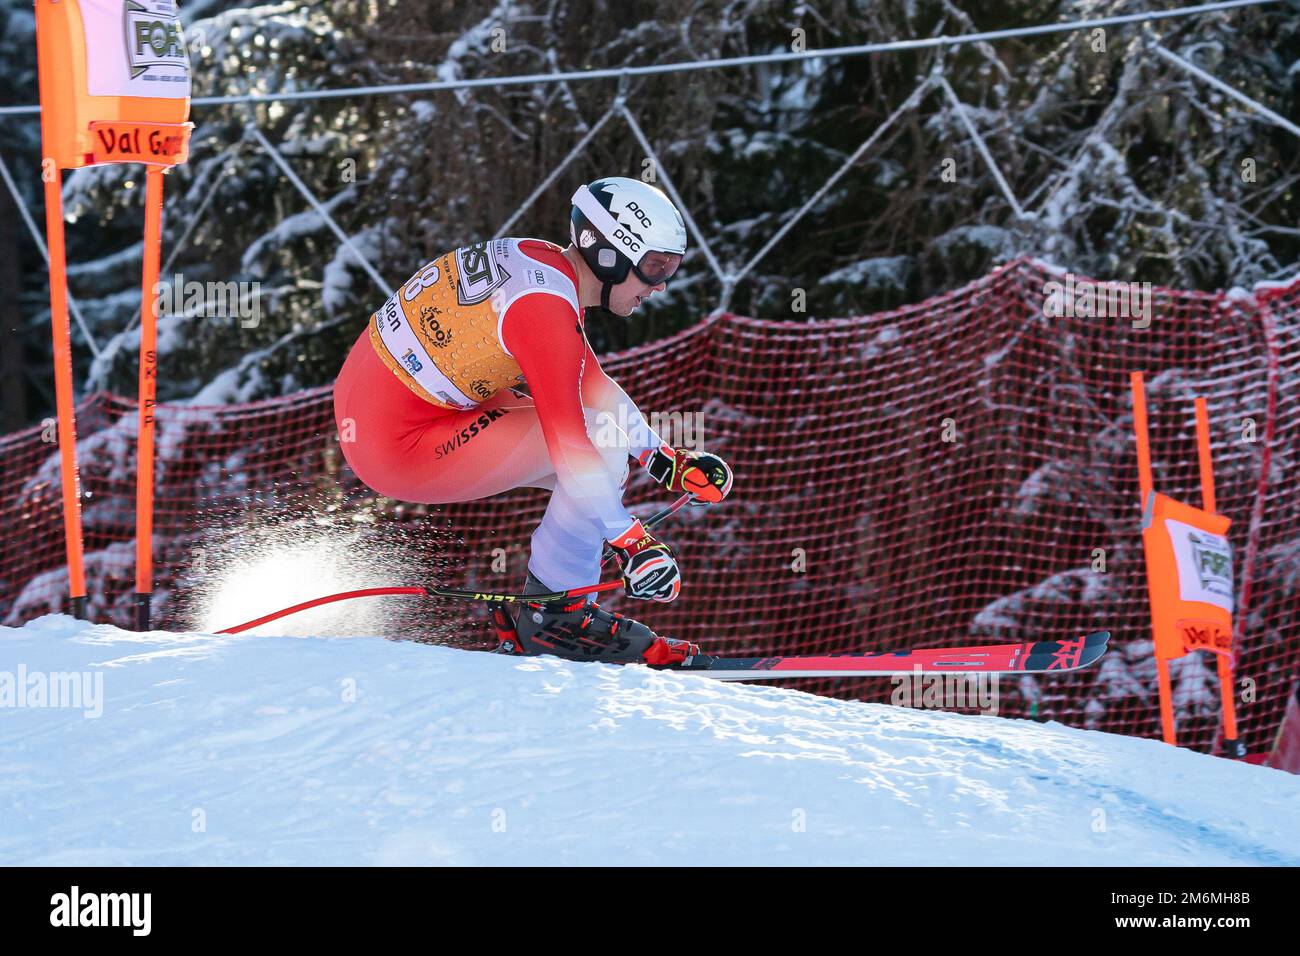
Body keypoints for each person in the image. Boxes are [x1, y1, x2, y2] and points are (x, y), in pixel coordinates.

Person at [332, 177, 734, 666]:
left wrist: (660, 457)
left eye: (668, 267)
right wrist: (631, 542)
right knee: (595, 454)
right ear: (608, 254)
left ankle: (558, 608)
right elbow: (570, 441)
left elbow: (594, 383)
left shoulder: (544, 264)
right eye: (654, 267)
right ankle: (555, 622)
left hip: (394, 405)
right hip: (399, 442)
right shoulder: (544, 308)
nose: (661, 284)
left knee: (601, 456)